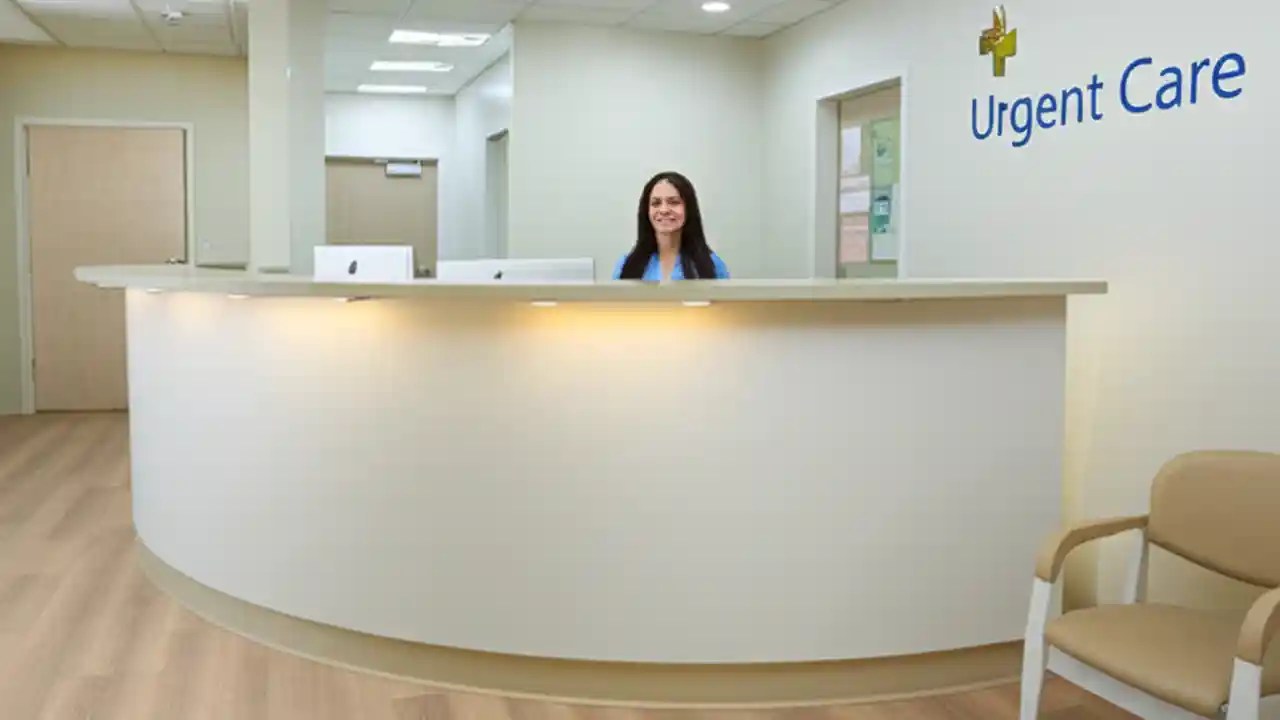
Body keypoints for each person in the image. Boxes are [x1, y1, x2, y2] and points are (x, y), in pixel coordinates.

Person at [612, 171, 730, 281]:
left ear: (689, 209)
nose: (664, 210)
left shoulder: (712, 265)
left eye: (674, 202)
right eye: (656, 203)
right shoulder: (625, 265)